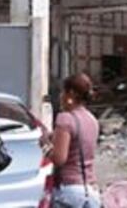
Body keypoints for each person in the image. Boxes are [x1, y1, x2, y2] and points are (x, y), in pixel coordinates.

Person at [49, 73, 100, 208]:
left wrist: (45, 146)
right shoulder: (92, 120)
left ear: (70, 94)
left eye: (63, 92)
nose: (61, 97)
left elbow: (59, 158)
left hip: (69, 192)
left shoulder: (65, 118)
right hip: (91, 192)